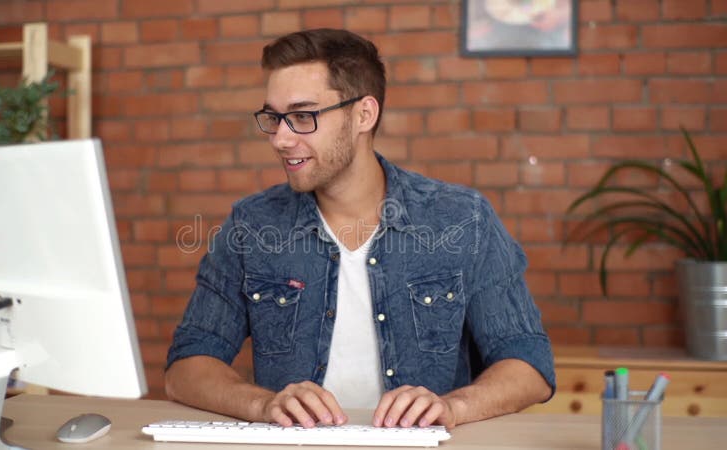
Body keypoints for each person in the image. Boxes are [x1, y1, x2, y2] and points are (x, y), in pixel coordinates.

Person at [165, 28, 555, 430]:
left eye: (302, 116)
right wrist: (263, 405)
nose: (281, 139)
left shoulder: (463, 219)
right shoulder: (251, 226)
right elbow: (188, 366)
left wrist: (453, 408)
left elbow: (529, 364)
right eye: (274, 118)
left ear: (364, 115)